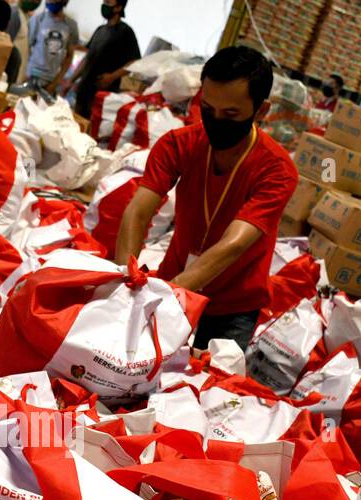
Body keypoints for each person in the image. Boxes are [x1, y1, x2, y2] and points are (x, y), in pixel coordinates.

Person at [112, 45, 298, 353]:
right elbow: (137, 212)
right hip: (175, 279)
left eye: (231, 114)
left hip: (232, 303)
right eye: (208, 110)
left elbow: (234, 244)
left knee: (210, 389)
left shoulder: (277, 170)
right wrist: (124, 279)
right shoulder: (177, 144)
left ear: (261, 111)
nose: (216, 120)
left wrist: (172, 295)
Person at [61, 0, 140, 118]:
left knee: (90, 129)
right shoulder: (100, 30)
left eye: (108, 2)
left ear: (118, 8)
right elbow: (88, 58)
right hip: (84, 91)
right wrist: (71, 80)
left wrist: (112, 77)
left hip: (101, 96)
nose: (104, 5)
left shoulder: (125, 32)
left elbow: (135, 62)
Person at [25, 0, 79, 95]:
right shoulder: (37, 20)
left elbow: (69, 57)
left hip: (51, 80)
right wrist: (26, 74)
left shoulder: (71, 26)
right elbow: (27, 49)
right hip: (31, 75)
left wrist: (56, 82)